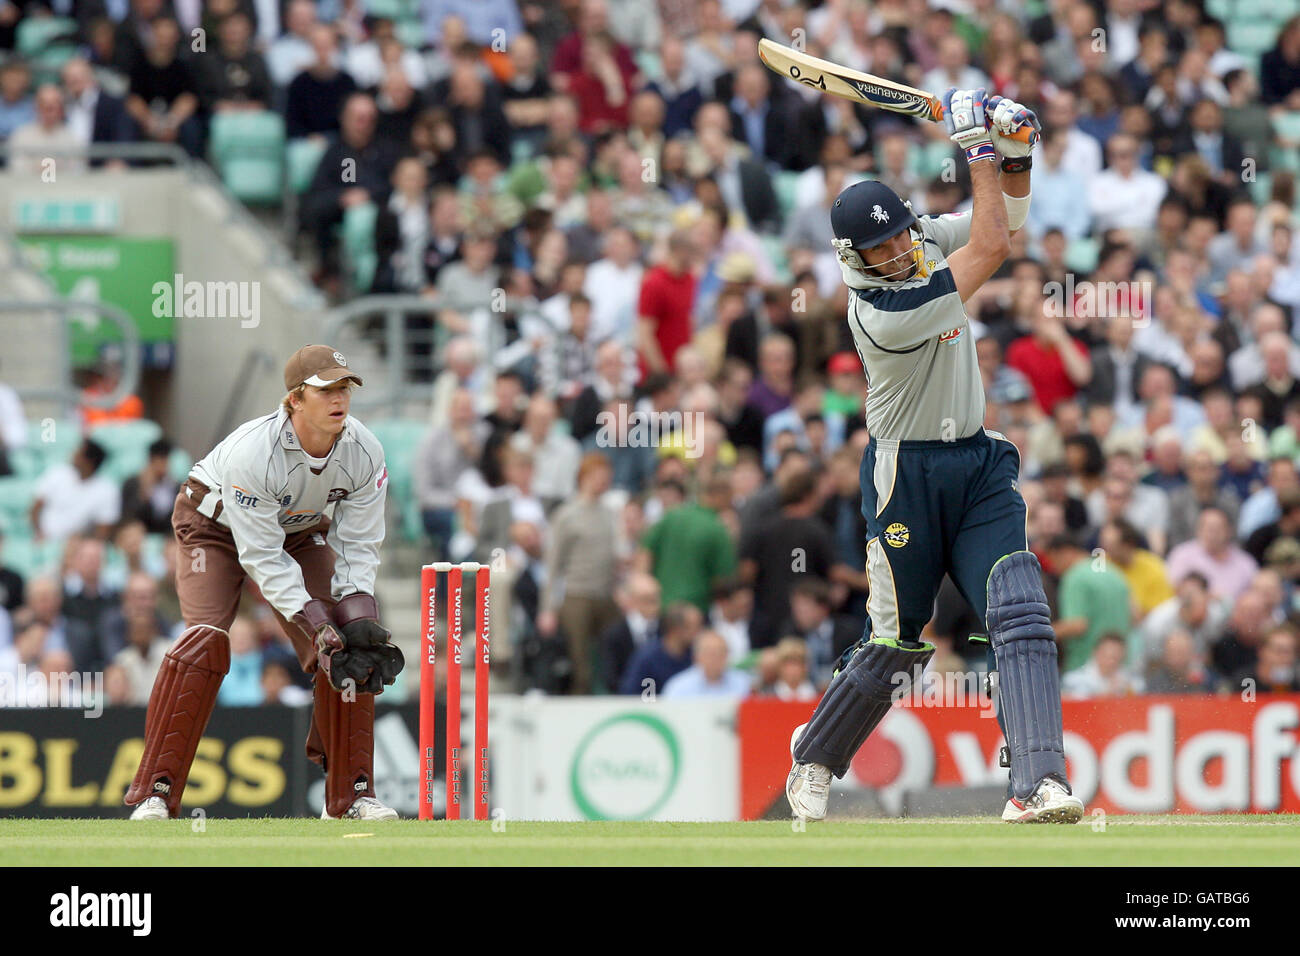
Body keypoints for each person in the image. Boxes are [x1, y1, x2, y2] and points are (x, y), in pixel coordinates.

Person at [785, 90, 1086, 825]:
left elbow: (1003, 220)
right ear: (855, 259)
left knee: (1019, 613)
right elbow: (989, 249)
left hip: (978, 465)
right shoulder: (879, 312)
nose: (897, 254)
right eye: (880, 250)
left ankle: (1039, 782)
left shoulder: (919, 238)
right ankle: (816, 755)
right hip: (905, 477)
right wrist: (978, 149)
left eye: (899, 240)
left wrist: (1015, 154)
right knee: (899, 645)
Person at [125, 345, 404, 821]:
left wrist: (356, 607)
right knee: (204, 641)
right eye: (325, 390)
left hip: (296, 531)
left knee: (350, 641)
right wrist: (314, 620)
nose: (339, 399)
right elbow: (260, 555)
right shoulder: (254, 452)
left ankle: (350, 796)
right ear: (295, 399)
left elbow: (359, 543)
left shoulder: (364, 449)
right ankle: (156, 794)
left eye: (344, 388)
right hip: (213, 529)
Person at [660, 630, 751, 698]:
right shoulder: (678, 687)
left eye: (721, 652)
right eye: (710, 653)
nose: (715, 658)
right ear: (696, 657)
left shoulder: (743, 683)